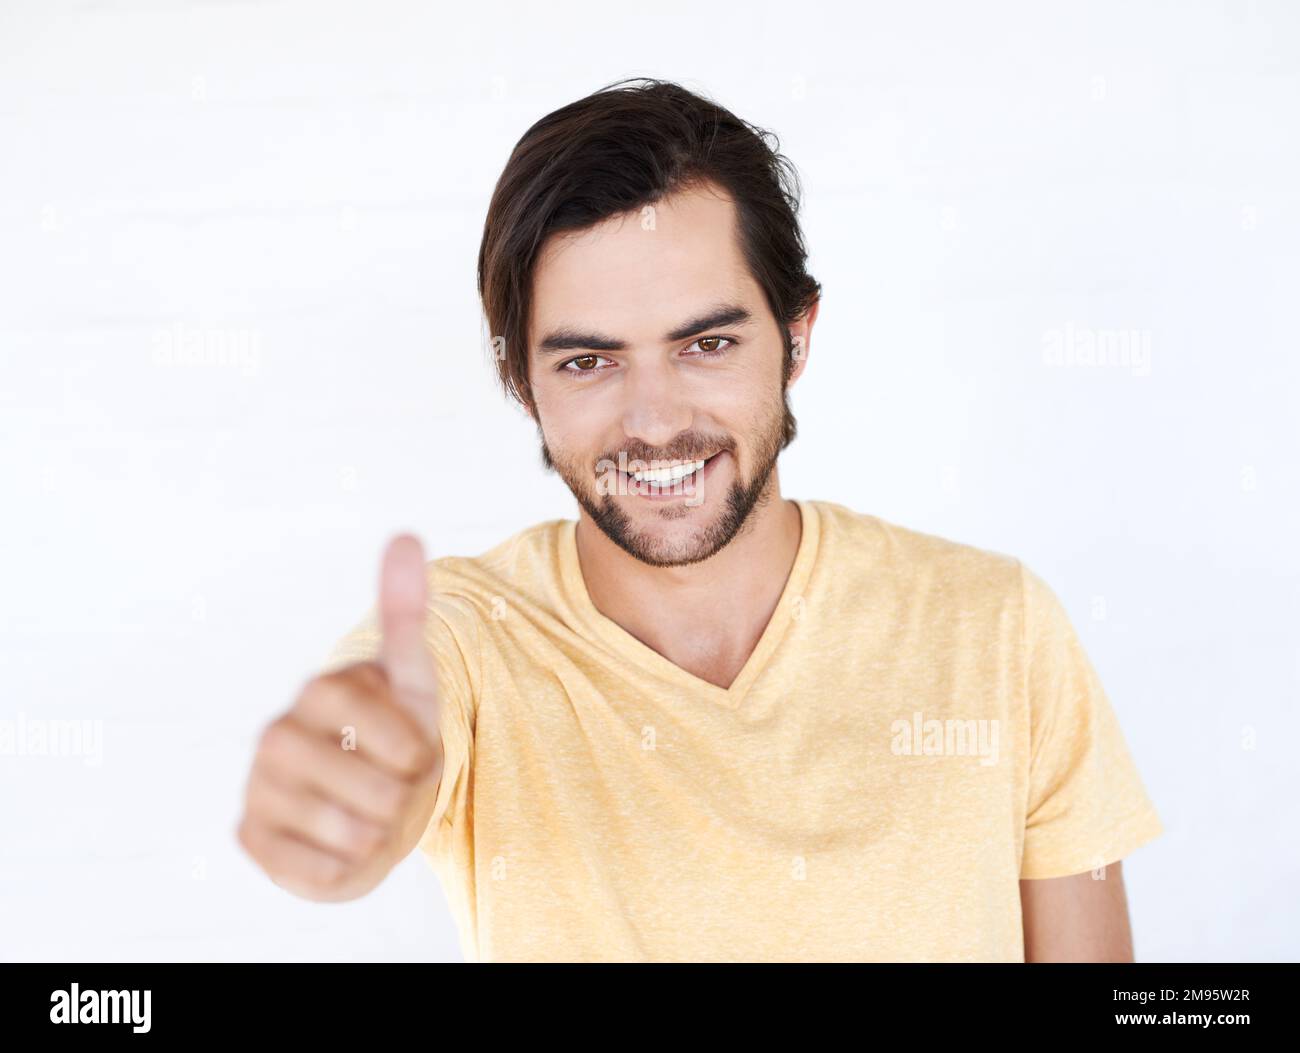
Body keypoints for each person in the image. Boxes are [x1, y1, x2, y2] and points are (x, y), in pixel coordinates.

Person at [237, 77, 1163, 962]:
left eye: (708, 343)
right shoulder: (467, 648)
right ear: (522, 381)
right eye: (589, 362)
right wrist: (340, 800)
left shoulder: (996, 625)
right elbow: (378, 759)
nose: (655, 421)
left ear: (797, 338)